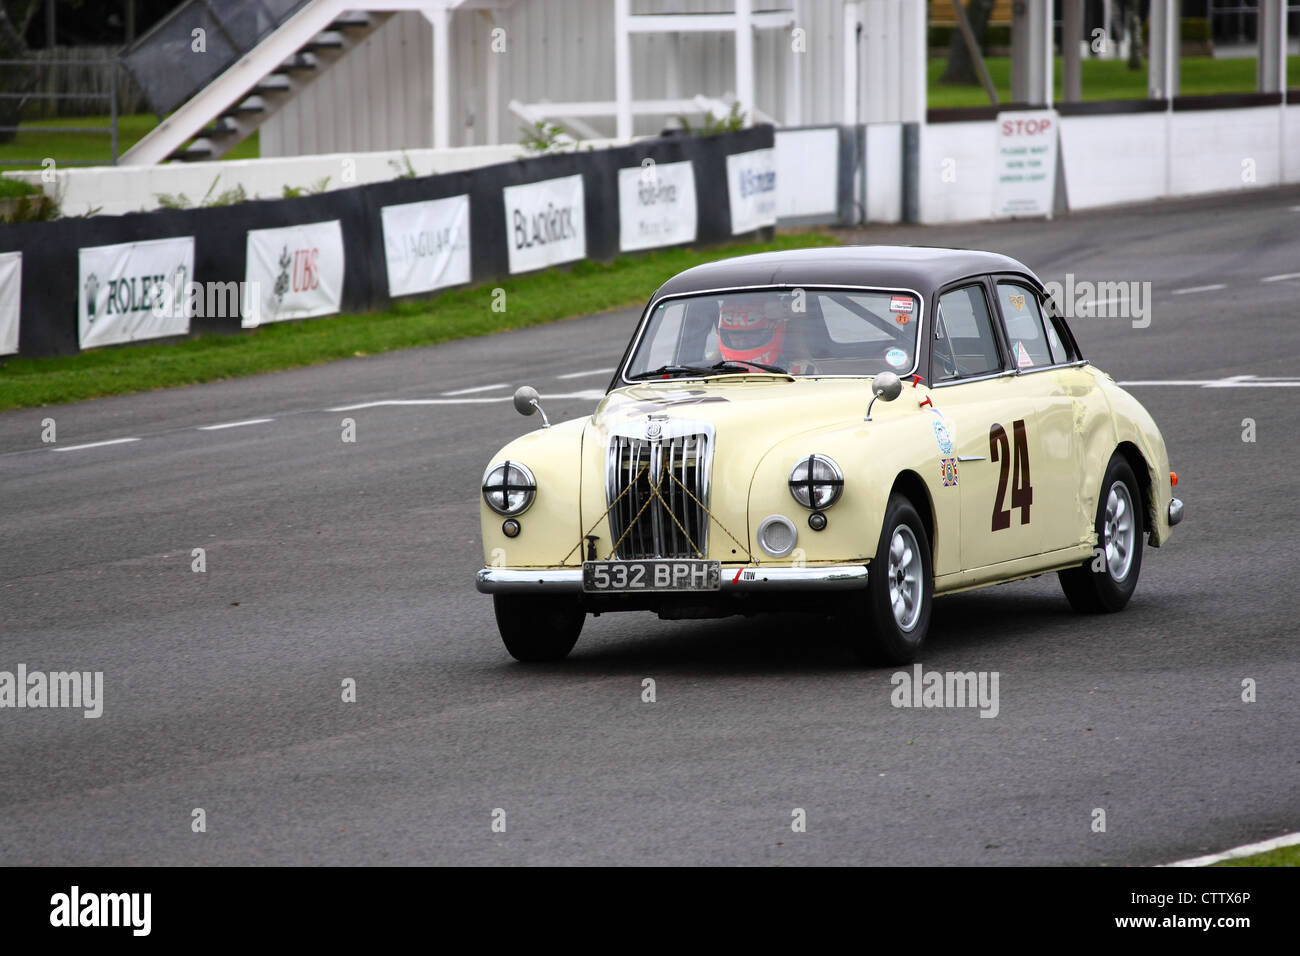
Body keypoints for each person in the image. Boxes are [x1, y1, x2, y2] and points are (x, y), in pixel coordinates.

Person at [716, 294, 819, 374]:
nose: (742, 342)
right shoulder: (708, 370)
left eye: (751, 334)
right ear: (724, 334)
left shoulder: (801, 371)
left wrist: (799, 344)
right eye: (735, 335)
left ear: (774, 330)